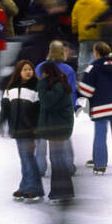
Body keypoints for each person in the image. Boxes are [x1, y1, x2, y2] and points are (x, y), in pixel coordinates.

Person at [77, 41, 112, 175]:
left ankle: (100, 165)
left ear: (96, 53)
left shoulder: (93, 68)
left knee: (100, 135)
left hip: (100, 107)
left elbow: (86, 90)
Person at [0, 59, 44, 202]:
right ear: (19, 72)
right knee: (25, 159)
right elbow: (5, 109)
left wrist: (38, 128)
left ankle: (33, 189)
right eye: (25, 70)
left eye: (30, 69)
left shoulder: (36, 88)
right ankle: (25, 186)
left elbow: (39, 111)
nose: (28, 72)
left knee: (28, 158)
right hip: (17, 129)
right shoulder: (10, 88)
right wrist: (1, 124)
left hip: (30, 129)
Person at [37, 62, 77, 201]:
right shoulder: (59, 84)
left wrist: (41, 84)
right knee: (57, 159)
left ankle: (62, 192)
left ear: (47, 73)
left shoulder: (56, 87)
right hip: (59, 127)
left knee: (58, 160)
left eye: (43, 73)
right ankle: (61, 191)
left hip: (57, 128)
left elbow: (46, 102)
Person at [71, 0, 108, 67]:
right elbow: (105, 17)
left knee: (83, 57)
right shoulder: (100, 3)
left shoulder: (78, 4)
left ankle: (82, 76)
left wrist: (76, 31)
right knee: (96, 55)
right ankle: (94, 74)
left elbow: (74, 20)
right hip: (97, 34)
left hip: (83, 34)